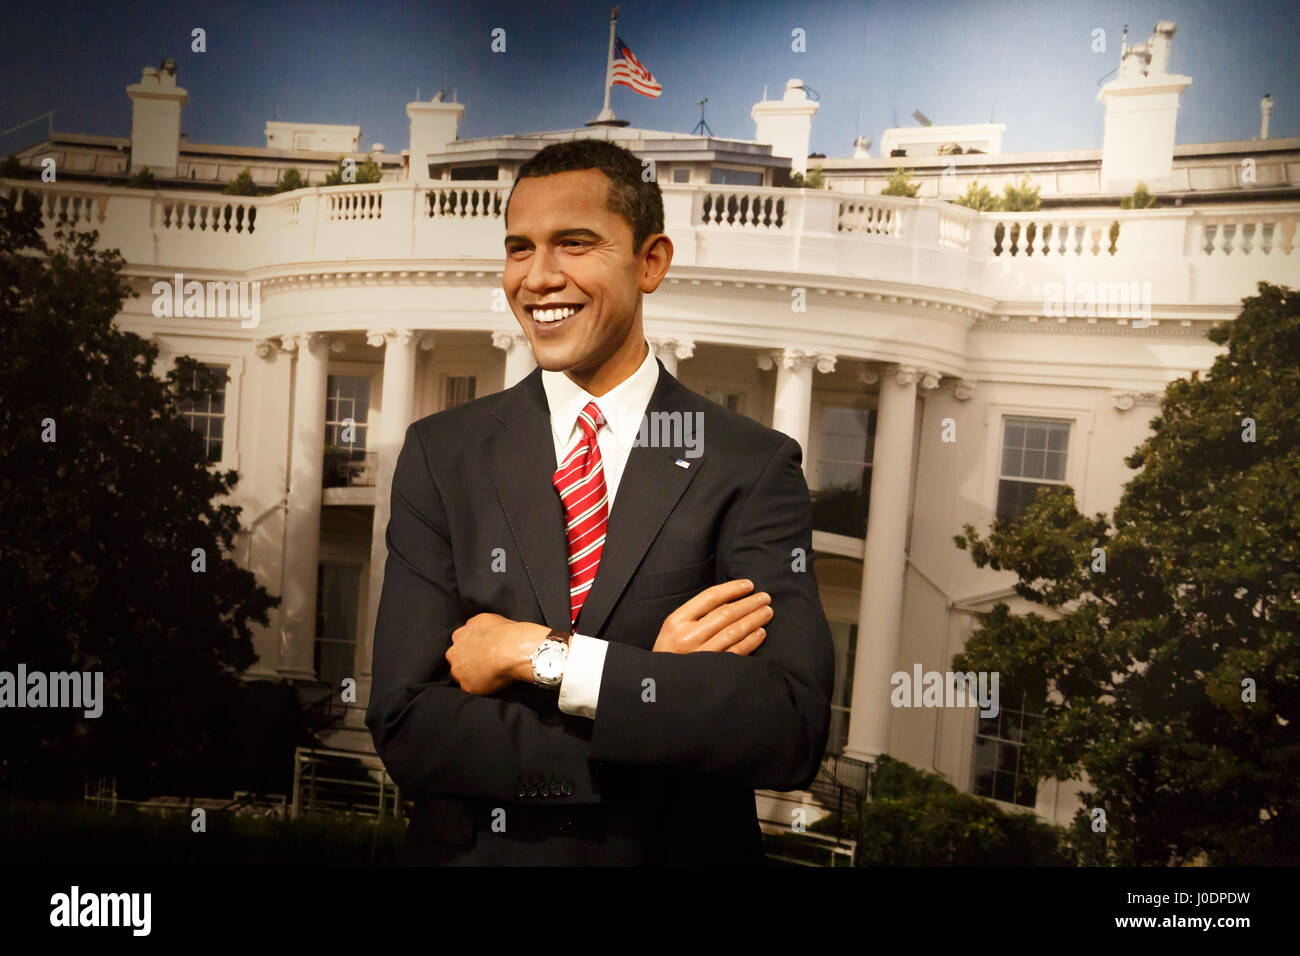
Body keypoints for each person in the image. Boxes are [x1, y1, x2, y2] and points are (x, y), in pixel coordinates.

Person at [365, 138, 834, 865]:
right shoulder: (440, 455)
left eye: (574, 244)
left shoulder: (751, 466)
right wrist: (651, 688)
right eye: (520, 248)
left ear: (651, 262)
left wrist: (543, 656)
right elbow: (408, 727)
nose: (539, 278)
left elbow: (786, 728)